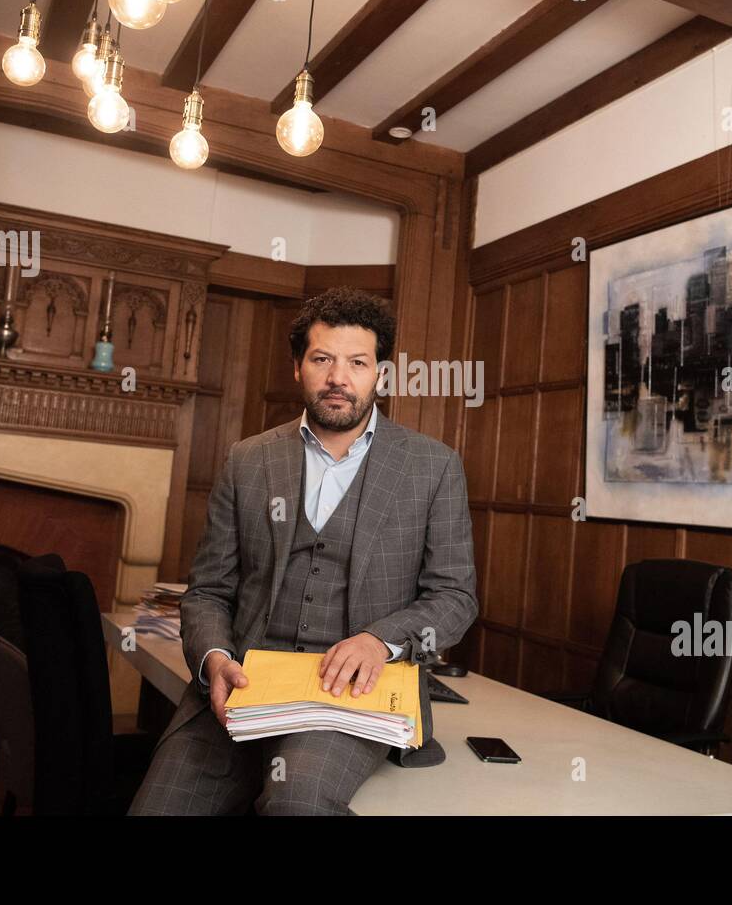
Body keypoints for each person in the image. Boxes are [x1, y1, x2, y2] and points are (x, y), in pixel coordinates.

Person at [129, 286, 478, 815]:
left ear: (380, 374)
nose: (339, 377)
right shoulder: (246, 460)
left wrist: (380, 642)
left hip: (351, 698)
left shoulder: (433, 467)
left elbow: (454, 597)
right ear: (298, 367)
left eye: (358, 362)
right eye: (322, 359)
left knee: (298, 801)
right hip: (241, 685)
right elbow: (208, 592)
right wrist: (214, 659)